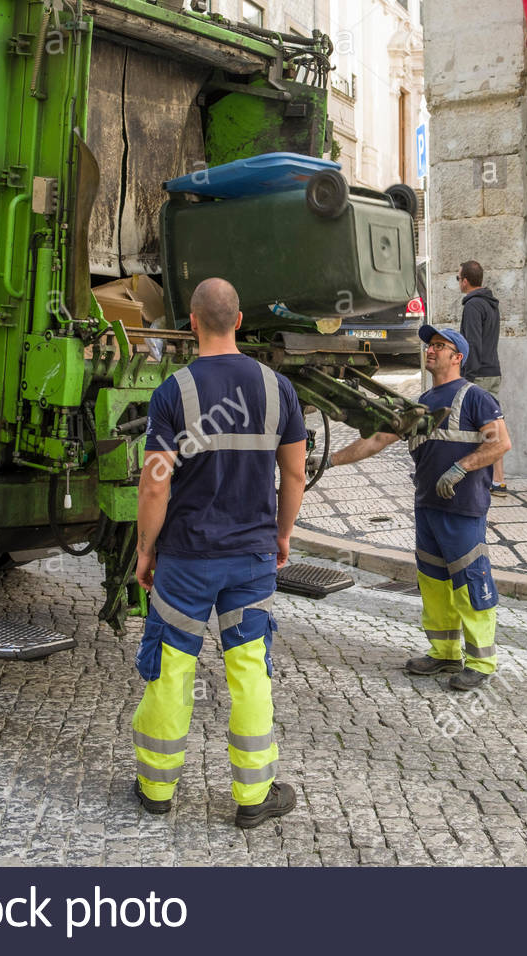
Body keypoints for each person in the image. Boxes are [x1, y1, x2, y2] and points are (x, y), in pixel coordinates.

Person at [131, 277, 308, 828]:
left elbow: (155, 483)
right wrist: (281, 535)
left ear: (191, 322)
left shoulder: (173, 392)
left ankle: (156, 789)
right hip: (251, 555)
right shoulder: (279, 389)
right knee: (250, 669)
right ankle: (254, 798)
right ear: (238, 321)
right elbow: (295, 471)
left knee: (172, 667)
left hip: (185, 556)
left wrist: (144, 550)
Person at [326, 326, 510, 691]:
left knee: (469, 583)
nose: (431, 350)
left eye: (440, 346)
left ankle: (481, 662)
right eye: (430, 345)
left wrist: (462, 468)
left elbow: (500, 443)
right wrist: (327, 461)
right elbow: (377, 439)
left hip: (463, 507)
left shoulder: (475, 398)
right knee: (434, 583)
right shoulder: (421, 402)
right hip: (427, 504)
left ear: (457, 357)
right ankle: (444, 652)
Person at [458, 260, 506, 496]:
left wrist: (465, 377)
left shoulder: (473, 306)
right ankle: (498, 480)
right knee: (493, 428)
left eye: (458, 278)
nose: (458, 282)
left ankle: (475, 478)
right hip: (492, 371)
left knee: (475, 428)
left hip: (478, 375)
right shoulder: (490, 304)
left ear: (465, 281)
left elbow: (472, 344)